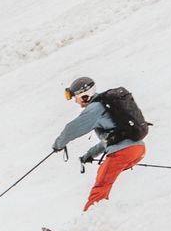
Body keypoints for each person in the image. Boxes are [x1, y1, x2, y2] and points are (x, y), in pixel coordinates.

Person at [52, 76, 151, 211]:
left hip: (123, 152)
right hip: (138, 149)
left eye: (76, 97)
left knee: (100, 187)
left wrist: (58, 145)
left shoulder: (95, 108)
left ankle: (88, 225)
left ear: (84, 95)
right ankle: (102, 219)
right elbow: (112, 138)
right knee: (104, 181)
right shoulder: (106, 105)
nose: (75, 101)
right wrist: (91, 154)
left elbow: (72, 129)